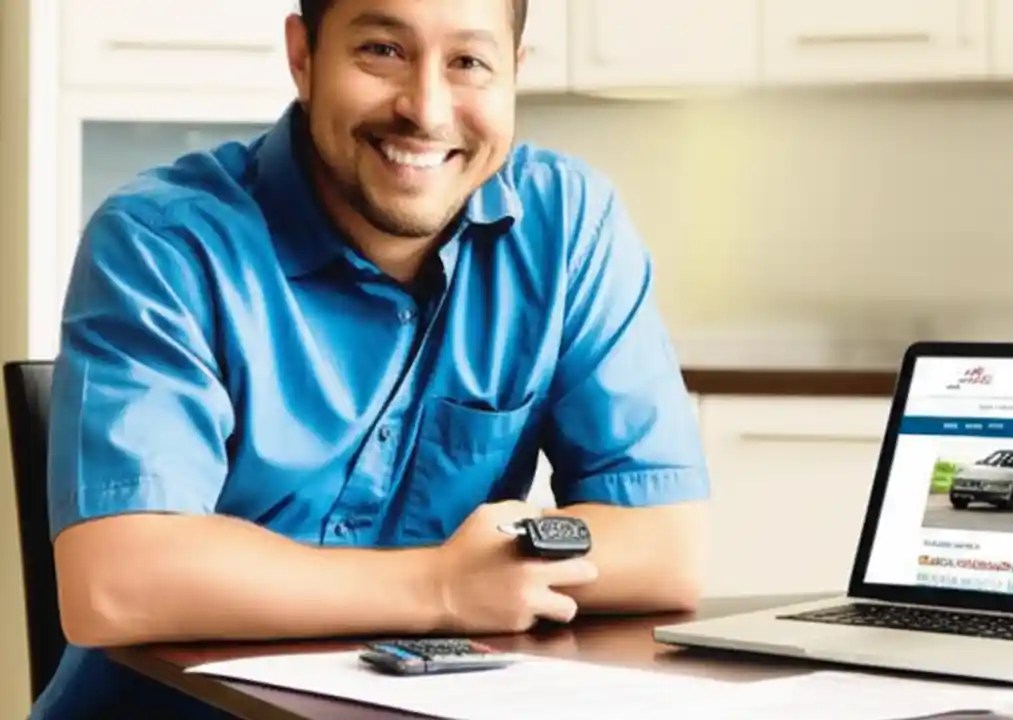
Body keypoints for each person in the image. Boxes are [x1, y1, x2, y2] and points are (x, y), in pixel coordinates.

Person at [30, 0, 709, 717]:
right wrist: (441, 588)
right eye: (382, 51)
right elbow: (119, 582)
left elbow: (664, 548)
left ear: (515, 74)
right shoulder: (162, 242)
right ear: (303, 56)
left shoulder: (569, 227)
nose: (426, 108)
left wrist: (488, 571)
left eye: (469, 62)